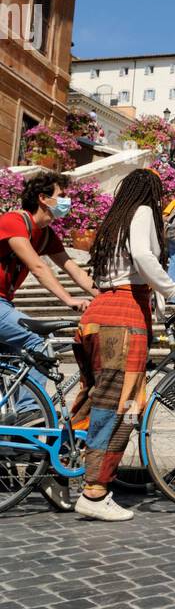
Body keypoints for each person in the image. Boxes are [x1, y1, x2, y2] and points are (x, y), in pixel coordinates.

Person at [72, 169, 175, 522]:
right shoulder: (143, 212)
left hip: (101, 312)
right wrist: (173, 288)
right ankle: (95, 491)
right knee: (122, 403)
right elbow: (143, 258)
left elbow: (128, 272)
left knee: (97, 396)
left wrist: (158, 305)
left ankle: (67, 470)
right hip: (123, 320)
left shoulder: (116, 219)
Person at [0, 171, 97, 511]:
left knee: (15, 367)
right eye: (60, 194)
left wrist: (102, 295)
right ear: (43, 197)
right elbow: (39, 270)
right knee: (37, 345)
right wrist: (69, 301)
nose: (65, 200)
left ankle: (19, 442)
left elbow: (71, 266)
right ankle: (31, 418)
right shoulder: (15, 222)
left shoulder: (47, 235)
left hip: (4, 305)